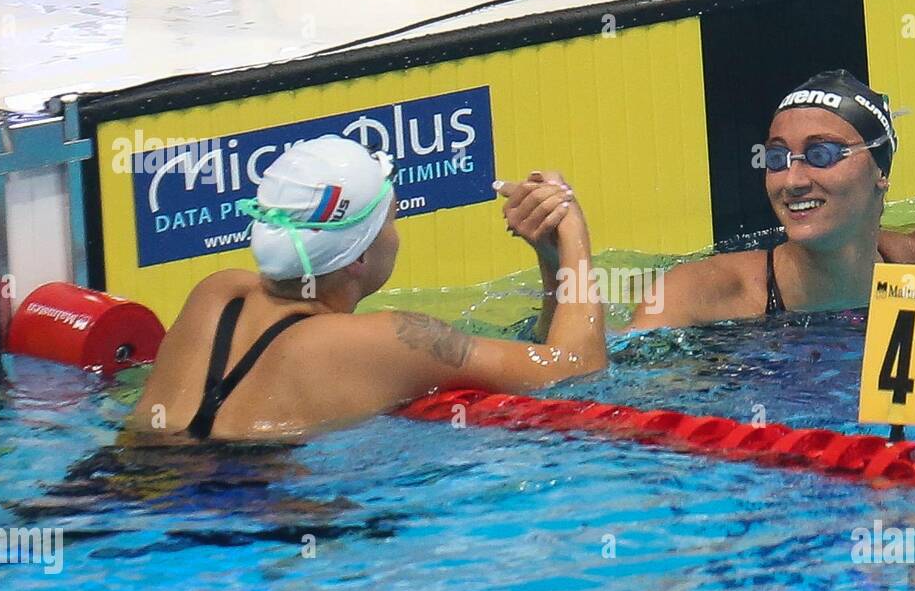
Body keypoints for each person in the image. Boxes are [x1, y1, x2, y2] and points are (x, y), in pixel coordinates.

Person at [127, 136, 606, 442]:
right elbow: (574, 368)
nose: (395, 234)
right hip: (247, 524)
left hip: (118, 489)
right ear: (357, 257)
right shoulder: (391, 338)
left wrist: (548, 262)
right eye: (391, 220)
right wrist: (572, 233)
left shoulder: (215, 295)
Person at [629, 70, 915, 329]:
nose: (793, 182)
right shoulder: (696, 295)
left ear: (879, 172)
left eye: (821, 154)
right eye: (778, 158)